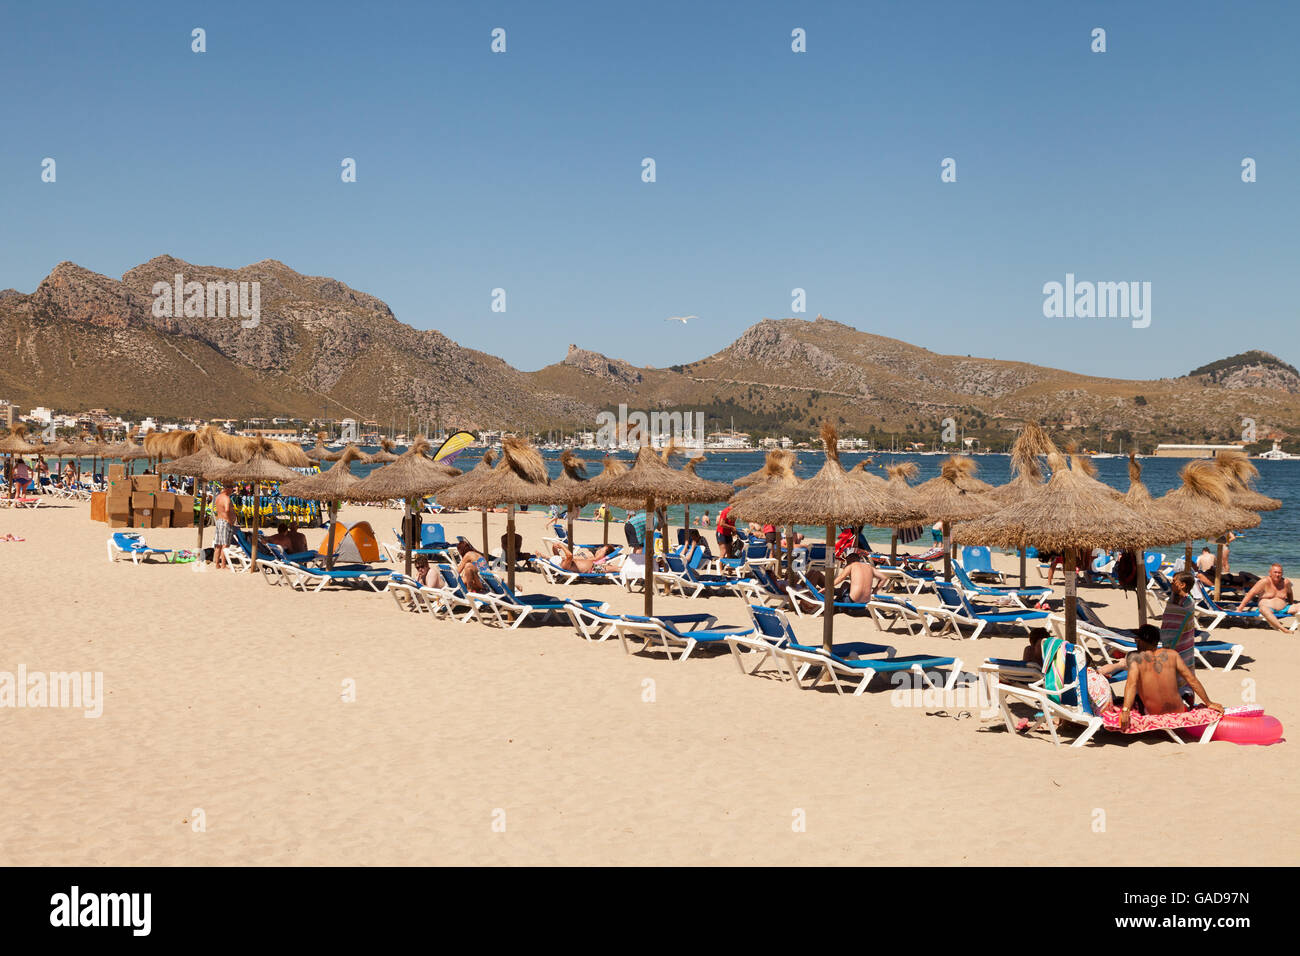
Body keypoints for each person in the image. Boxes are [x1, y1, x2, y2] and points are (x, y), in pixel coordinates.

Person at [1119, 624, 1224, 730]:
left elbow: (1131, 685)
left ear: (1139, 641)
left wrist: (1125, 710)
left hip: (1153, 714)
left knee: (1135, 694)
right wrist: (1208, 703)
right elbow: (1191, 680)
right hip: (1180, 711)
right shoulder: (1172, 654)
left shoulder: (1135, 659)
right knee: (1184, 691)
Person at [1159, 571, 1199, 683]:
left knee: (1182, 666)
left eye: (1174, 582)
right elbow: (1169, 617)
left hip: (1182, 640)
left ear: (1182, 585)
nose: (1171, 584)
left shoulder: (1189, 602)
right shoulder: (1173, 598)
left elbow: (1182, 621)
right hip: (1167, 638)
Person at [1236, 563, 1296, 632]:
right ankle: (1282, 628)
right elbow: (1250, 594)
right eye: (1275, 572)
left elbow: (1290, 593)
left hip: (1284, 609)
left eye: (1279, 573)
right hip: (1267, 609)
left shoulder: (1286, 582)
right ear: (1270, 573)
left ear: (1282, 574)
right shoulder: (1264, 581)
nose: (1277, 574)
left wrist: (1291, 604)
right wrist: (1240, 609)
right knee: (1263, 609)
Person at [540, 542, 618, 573]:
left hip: (594, 568)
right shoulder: (564, 565)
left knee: (617, 568)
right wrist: (560, 546)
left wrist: (557, 547)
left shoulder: (563, 563)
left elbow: (568, 556)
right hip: (593, 569)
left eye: (601, 551)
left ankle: (547, 557)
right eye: (600, 550)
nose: (599, 551)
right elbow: (569, 556)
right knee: (617, 568)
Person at [212, 482, 236, 569]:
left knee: (218, 544)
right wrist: (230, 521)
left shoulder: (218, 497)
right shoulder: (226, 498)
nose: (232, 492)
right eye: (232, 490)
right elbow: (227, 510)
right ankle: (223, 565)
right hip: (225, 522)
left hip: (219, 521)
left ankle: (217, 564)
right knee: (225, 545)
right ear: (228, 489)